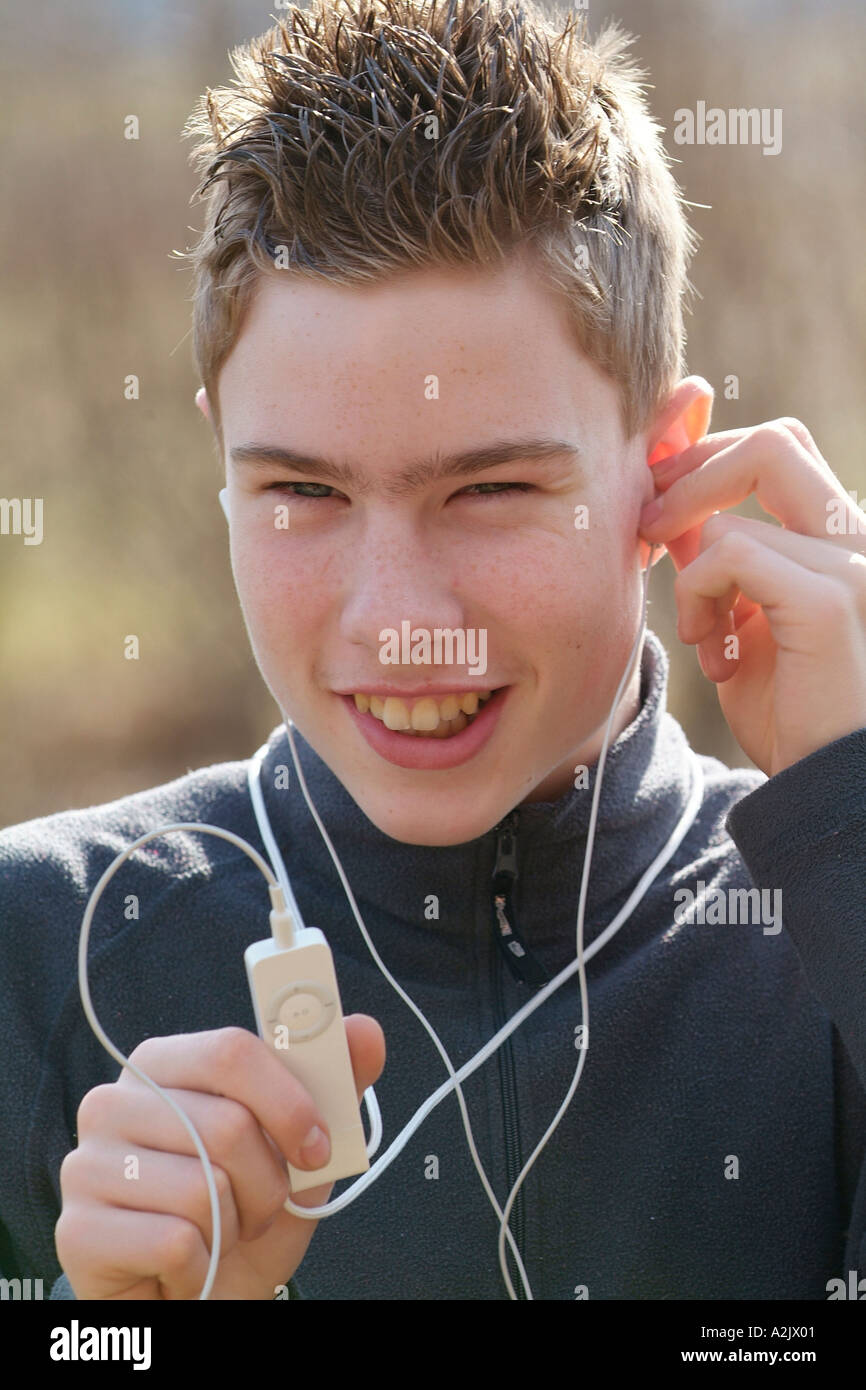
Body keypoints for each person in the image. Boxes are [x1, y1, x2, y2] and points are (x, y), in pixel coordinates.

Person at [1, 0, 864, 1302]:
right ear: (220, 462)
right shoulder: (31, 950)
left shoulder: (831, 924)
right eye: (304, 490)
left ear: (663, 471)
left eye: (490, 490)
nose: (393, 616)